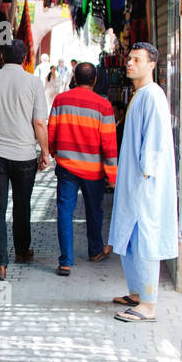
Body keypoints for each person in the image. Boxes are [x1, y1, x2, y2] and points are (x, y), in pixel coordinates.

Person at [107, 43, 179, 323]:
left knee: (146, 238)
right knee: (132, 238)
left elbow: (155, 139)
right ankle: (137, 292)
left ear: (152, 65)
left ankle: (148, 304)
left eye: (137, 60)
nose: (129, 63)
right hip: (133, 181)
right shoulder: (140, 95)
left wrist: (146, 173)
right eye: (129, 59)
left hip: (145, 184)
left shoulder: (153, 96)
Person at [0, 39, 50, 280]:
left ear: (2, 58)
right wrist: (45, 153)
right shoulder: (34, 83)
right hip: (24, 155)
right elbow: (39, 122)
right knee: (22, 204)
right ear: (25, 59)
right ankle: (22, 251)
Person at [48, 62, 118, 275]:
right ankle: (95, 250)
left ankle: (66, 261)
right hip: (93, 169)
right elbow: (109, 143)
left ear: (75, 79)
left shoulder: (61, 100)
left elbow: (52, 130)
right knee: (94, 210)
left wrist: (53, 152)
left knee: (65, 212)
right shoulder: (103, 106)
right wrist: (112, 175)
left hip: (67, 166)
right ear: (95, 80)